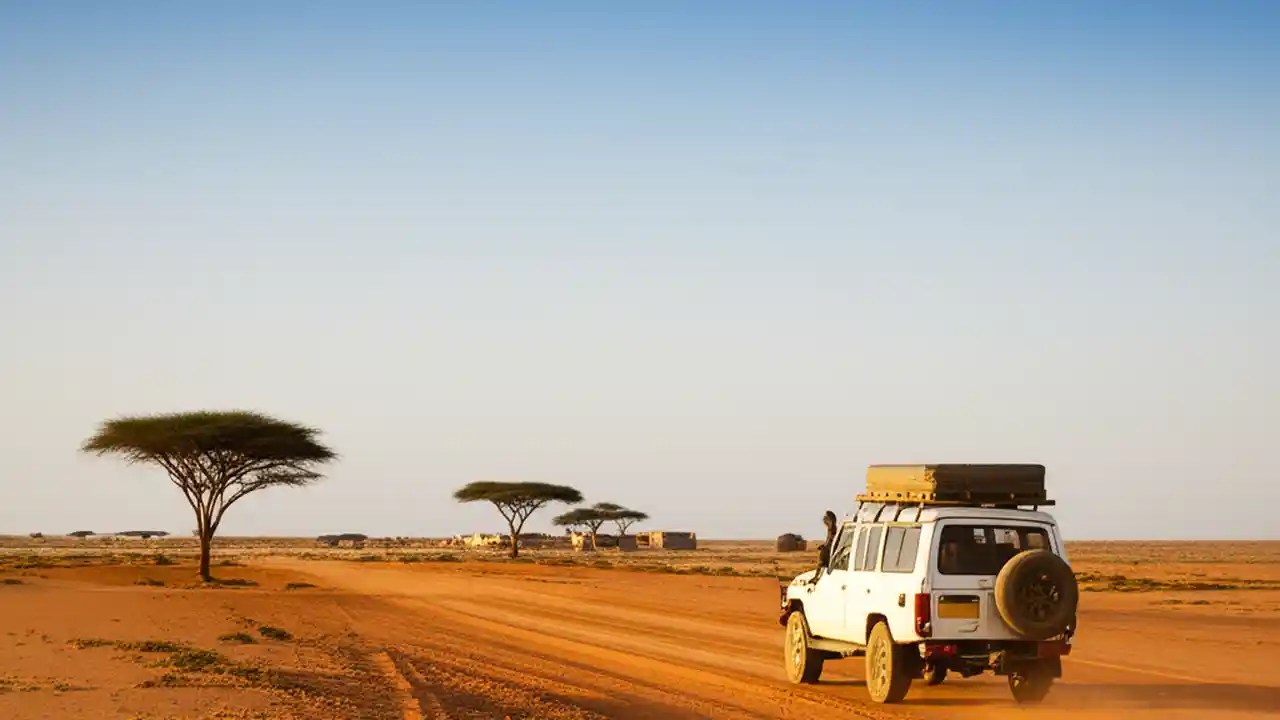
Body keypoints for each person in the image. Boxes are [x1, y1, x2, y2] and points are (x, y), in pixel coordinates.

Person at [809, 510, 838, 584]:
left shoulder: (832, 529)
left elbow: (831, 541)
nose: (824, 519)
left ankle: (816, 578)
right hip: (828, 549)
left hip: (829, 550)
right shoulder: (830, 529)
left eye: (826, 518)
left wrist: (825, 547)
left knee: (821, 563)